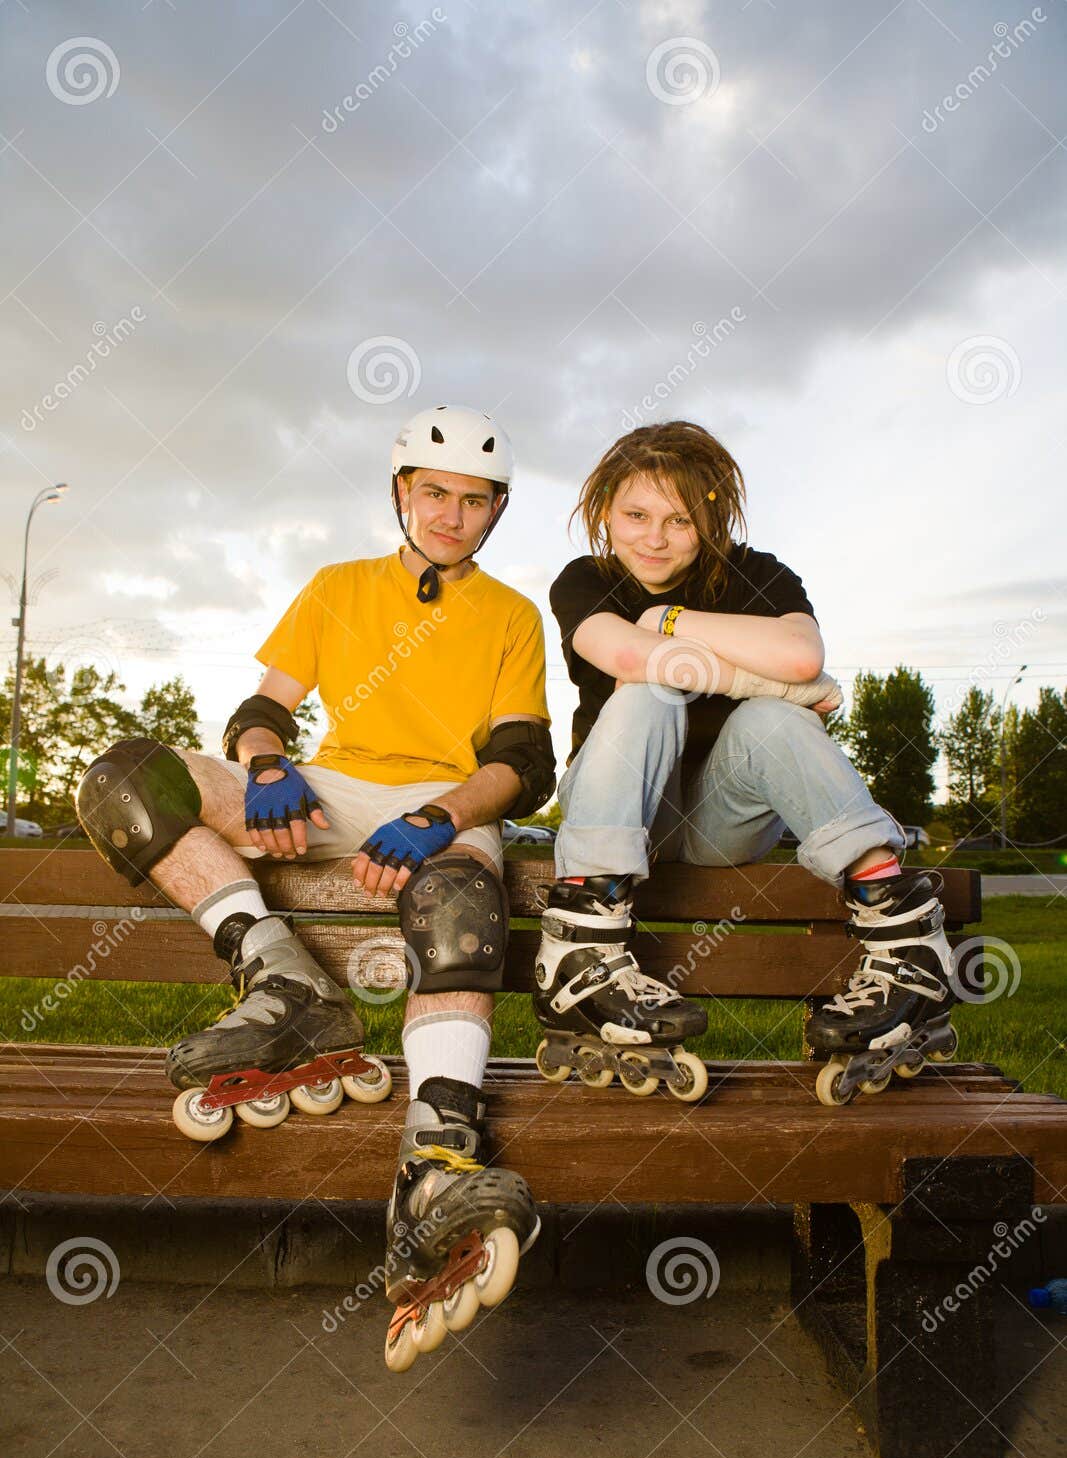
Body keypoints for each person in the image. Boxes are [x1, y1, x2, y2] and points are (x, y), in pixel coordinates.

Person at [75, 404, 550, 1369]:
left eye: (473, 502)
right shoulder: (338, 587)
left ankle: (438, 1158)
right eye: (433, 495)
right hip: (329, 790)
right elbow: (260, 708)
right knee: (130, 778)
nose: (451, 517)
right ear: (399, 494)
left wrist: (441, 818)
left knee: (460, 901)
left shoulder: (511, 614)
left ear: (495, 511)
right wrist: (261, 764)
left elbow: (520, 759)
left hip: (440, 800)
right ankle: (285, 982)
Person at [537, 420, 956, 1107]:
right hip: (614, 810)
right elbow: (624, 657)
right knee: (647, 692)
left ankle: (905, 945)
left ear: (712, 518)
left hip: (714, 822)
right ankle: (583, 959)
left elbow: (799, 657)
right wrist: (779, 683)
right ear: (603, 511)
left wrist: (669, 622)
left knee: (770, 719)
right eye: (635, 515)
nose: (653, 536)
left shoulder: (758, 576)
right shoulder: (586, 580)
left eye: (678, 520)